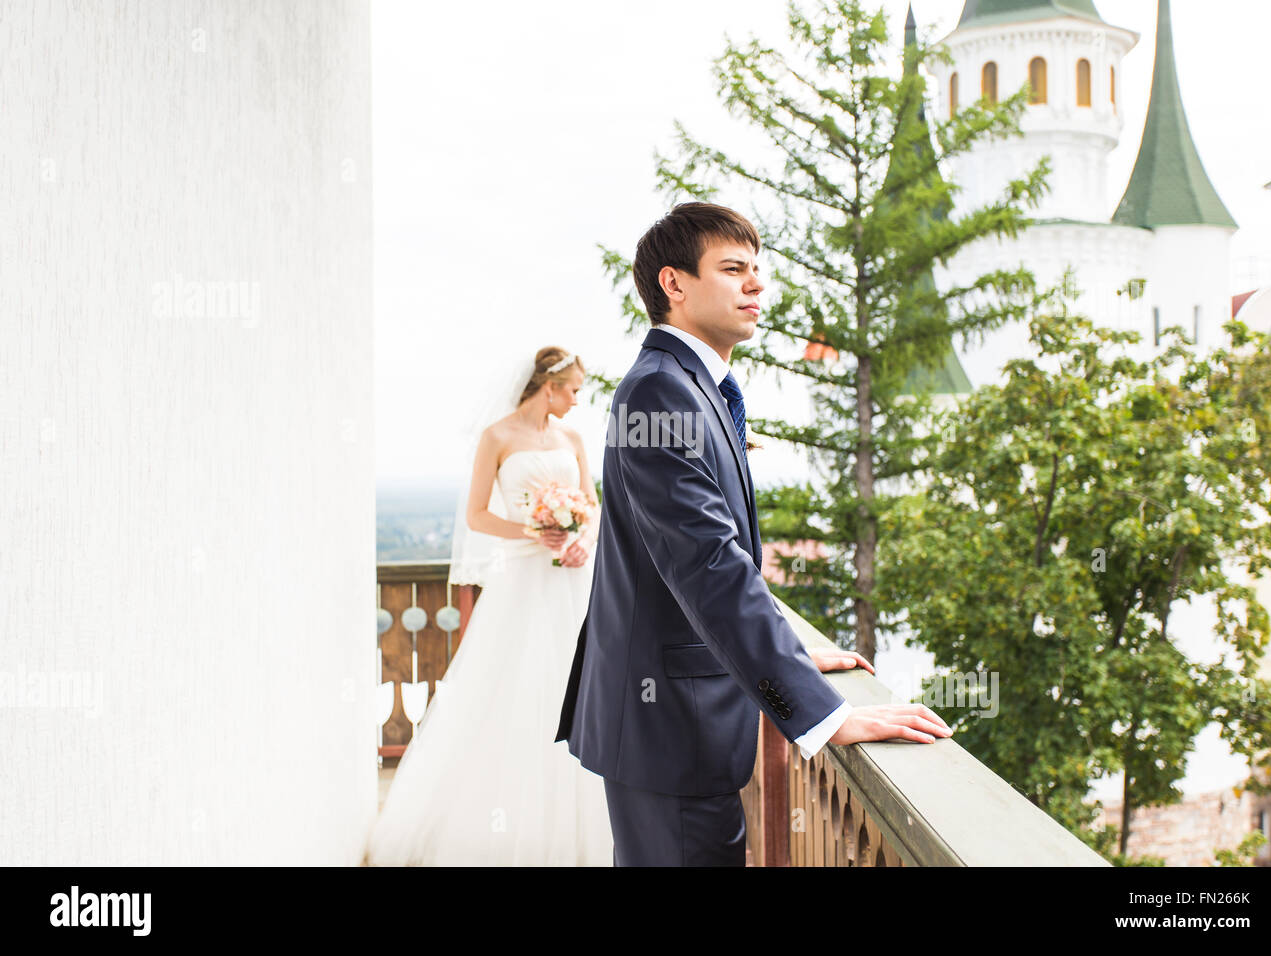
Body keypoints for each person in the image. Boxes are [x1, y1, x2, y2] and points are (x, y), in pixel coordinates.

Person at [556, 203, 953, 866]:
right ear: (673, 285)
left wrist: (789, 649)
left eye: (757, 271)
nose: (756, 285)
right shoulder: (661, 394)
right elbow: (707, 565)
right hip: (671, 729)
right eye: (733, 268)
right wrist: (827, 715)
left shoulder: (695, 388)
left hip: (677, 722)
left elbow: (716, 556)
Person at [366, 346, 613, 866]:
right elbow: (478, 516)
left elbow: (590, 502)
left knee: (581, 685)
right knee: (516, 688)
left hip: (572, 576)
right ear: (548, 385)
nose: (577, 399)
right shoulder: (496, 437)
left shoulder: (571, 438)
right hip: (521, 578)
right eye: (573, 389)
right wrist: (535, 529)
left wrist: (577, 538)